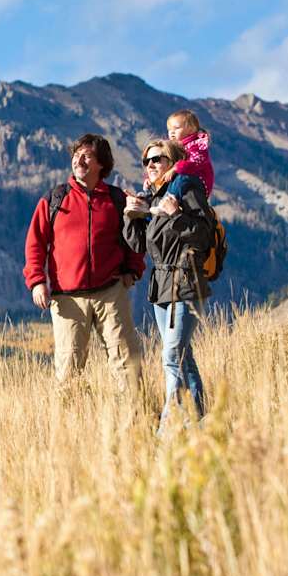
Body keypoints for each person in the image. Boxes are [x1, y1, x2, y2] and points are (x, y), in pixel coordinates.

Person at [23, 133, 144, 392]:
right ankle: (69, 429)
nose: (79, 159)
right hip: (67, 299)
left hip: (111, 294)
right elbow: (35, 243)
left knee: (127, 364)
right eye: (76, 155)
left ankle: (135, 425)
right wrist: (36, 282)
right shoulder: (54, 199)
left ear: (101, 163)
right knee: (68, 372)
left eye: (86, 155)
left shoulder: (116, 199)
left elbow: (135, 237)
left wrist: (133, 270)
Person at [123, 139, 214, 434]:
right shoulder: (156, 195)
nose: (149, 165)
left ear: (173, 161)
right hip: (161, 287)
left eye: (156, 159)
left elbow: (203, 234)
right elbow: (139, 245)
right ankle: (199, 421)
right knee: (183, 356)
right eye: (146, 161)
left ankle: (166, 431)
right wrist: (132, 216)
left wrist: (175, 214)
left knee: (171, 356)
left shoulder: (186, 187)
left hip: (186, 281)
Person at [165, 109, 214, 197]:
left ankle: (168, 200)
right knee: (168, 178)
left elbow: (197, 161)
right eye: (169, 129)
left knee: (182, 176)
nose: (172, 132)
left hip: (199, 181)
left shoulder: (197, 145)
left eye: (176, 128)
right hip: (187, 180)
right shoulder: (177, 147)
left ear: (191, 129)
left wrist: (176, 167)